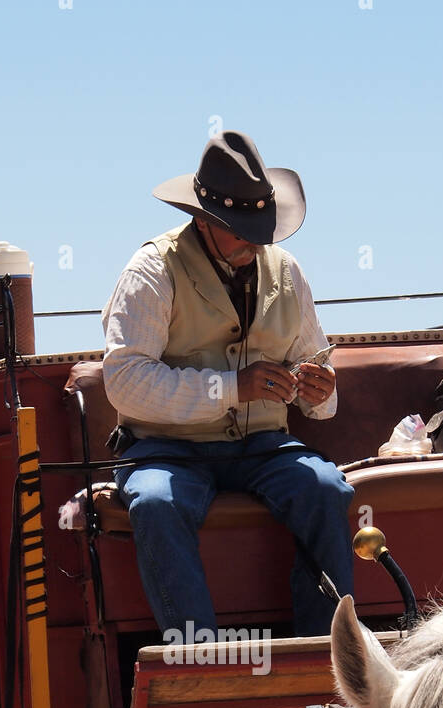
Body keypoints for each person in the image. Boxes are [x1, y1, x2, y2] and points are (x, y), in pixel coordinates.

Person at [101, 130, 354, 639]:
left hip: (264, 446)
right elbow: (124, 382)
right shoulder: (152, 269)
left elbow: (314, 361)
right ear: (203, 218)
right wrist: (231, 388)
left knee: (326, 489)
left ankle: (324, 657)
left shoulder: (288, 272)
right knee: (156, 503)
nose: (254, 242)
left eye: (260, 229)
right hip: (166, 451)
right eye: (240, 230)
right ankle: (202, 664)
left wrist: (320, 392)